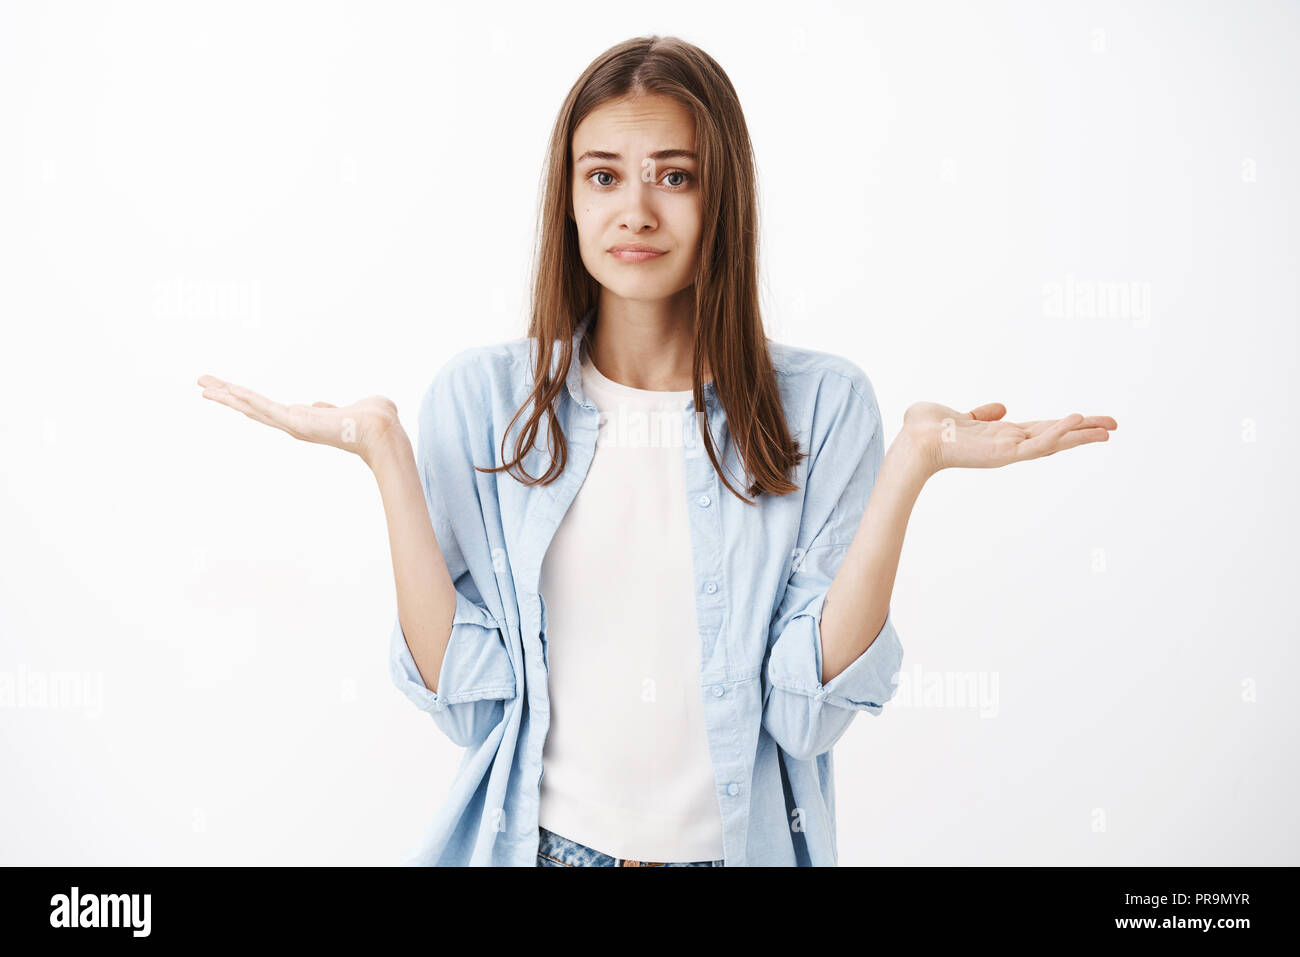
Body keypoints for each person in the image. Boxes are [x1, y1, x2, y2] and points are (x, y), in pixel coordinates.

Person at [197, 35, 1117, 867]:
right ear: (568, 196)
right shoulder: (482, 403)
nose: (633, 210)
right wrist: (384, 453)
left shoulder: (823, 406)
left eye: (673, 176)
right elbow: (471, 703)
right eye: (602, 176)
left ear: (725, 196)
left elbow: (808, 713)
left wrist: (911, 466)